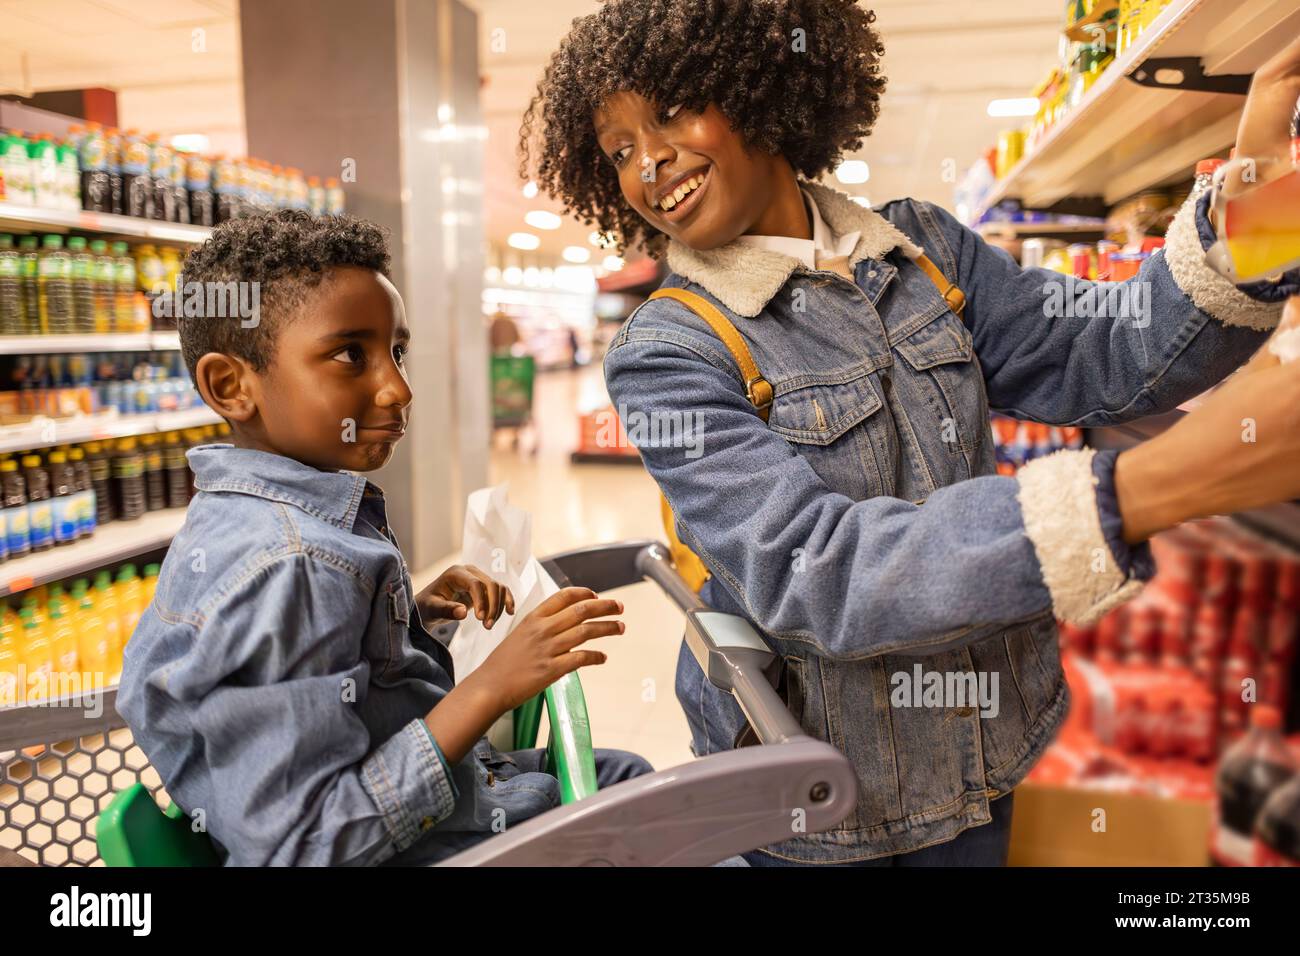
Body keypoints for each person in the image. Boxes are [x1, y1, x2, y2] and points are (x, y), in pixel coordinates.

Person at [520, 0, 1300, 865]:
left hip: (1003, 740)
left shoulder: (922, 248)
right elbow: (818, 572)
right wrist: (1158, 485)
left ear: (758, 90)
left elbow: (1101, 348)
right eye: (618, 149)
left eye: (671, 112)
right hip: (836, 808)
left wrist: (1260, 208)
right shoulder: (665, 353)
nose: (649, 162)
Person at [118, 211, 649, 866]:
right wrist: (492, 689)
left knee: (629, 774)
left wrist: (403, 614)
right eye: (350, 355)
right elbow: (308, 847)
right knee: (670, 813)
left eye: (397, 351)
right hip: (434, 842)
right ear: (232, 386)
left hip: (456, 803)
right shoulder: (294, 561)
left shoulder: (244, 518)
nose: (399, 388)